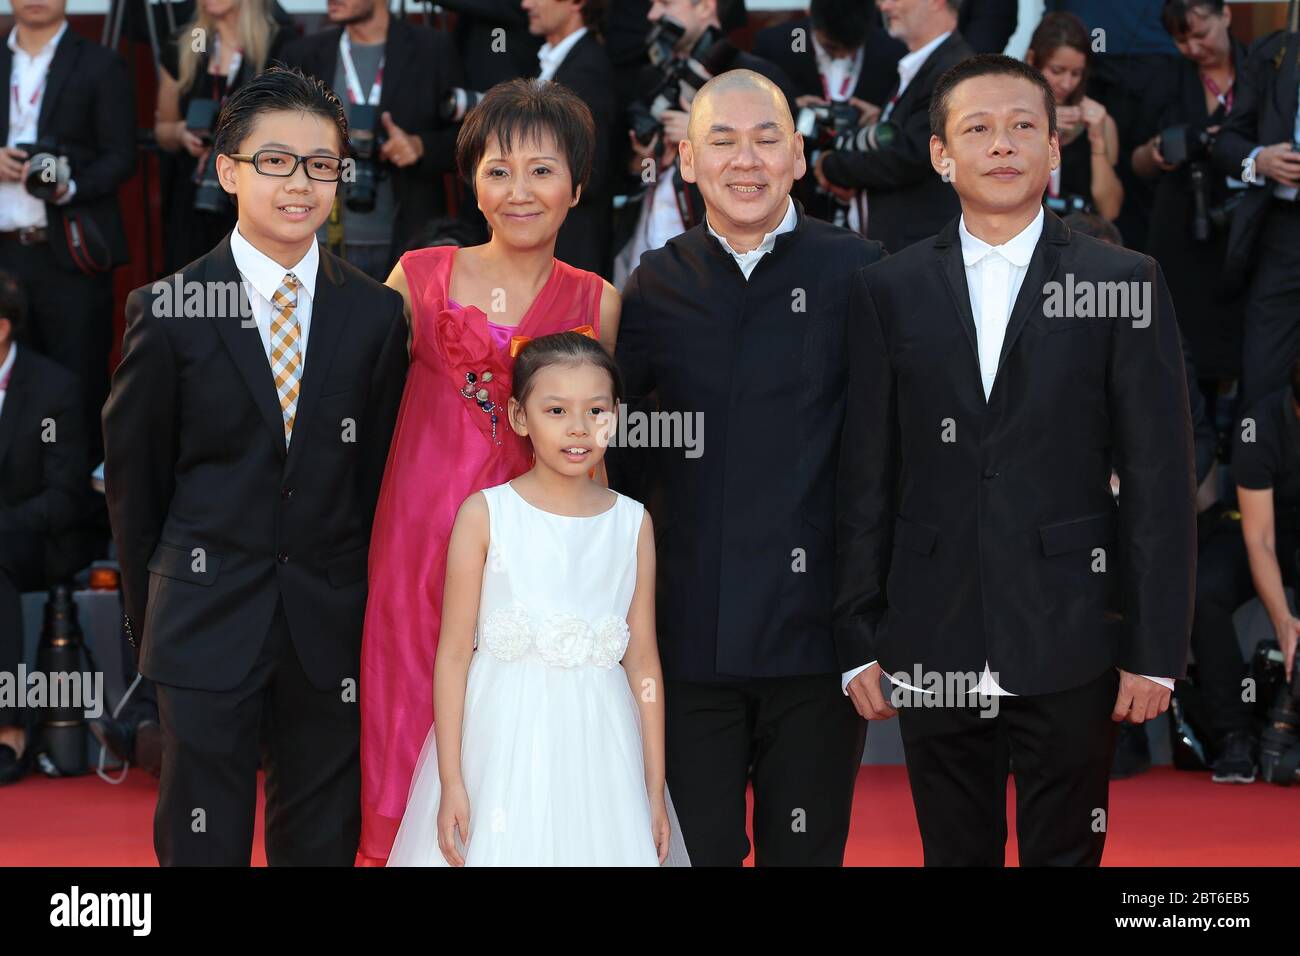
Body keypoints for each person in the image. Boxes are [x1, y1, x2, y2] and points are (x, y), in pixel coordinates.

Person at [835, 54, 1195, 865]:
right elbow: (867, 471)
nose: (1003, 145)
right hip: (934, 625)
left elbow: (1158, 481)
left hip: (1072, 627)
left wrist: (1154, 648)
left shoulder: (1123, 281)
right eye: (978, 129)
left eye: (1023, 127)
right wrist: (857, 632)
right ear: (940, 155)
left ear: (1055, 146)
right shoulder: (888, 289)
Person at [102, 67, 409, 865]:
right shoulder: (167, 309)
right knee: (203, 838)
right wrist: (154, 620)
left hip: (328, 625)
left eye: (321, 163)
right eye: (275, 161)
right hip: (203, 620)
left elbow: (374, 478)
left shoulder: (376, 313)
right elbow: (137, 488)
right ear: (228, 169)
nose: (300, 182)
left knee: (320, 837)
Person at [612, 69, 883, 866]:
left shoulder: (862, 271)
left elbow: (885, 454)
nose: (747, 160)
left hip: (818, 641)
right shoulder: (658, 283)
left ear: (799, 157)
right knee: (699, 853)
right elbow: (622, 457)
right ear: (686, 163)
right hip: (690, 637)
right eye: (721, 142)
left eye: (767, 139)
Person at [360, 78, 621, 864]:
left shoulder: (598, 300)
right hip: (416, 549)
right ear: (471, 180)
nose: (519, 191)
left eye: (542, 171)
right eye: (498, 170)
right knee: (404, 723)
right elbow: (361, 410)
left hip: (532, 560)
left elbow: (596, 449)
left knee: (519, 739)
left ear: (576, 187)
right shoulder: (418, 275)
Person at [388, 333, 687, 866]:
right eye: (556, 410)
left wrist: (654, 784)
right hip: (499, 742)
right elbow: (454, 653)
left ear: (615, 416)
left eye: (596, 410)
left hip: (601, 746)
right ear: (519, 416)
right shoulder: (485, 515)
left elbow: (643, 658)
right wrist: (453, 780)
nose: (578, 428)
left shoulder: (631, 523)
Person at [0, 0, 135, 461]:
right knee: (9, 388)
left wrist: (68, 185)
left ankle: (77, 512)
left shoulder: (100, 63)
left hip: (68, 257)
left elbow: (122, 156)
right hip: (4, 256)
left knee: (76, 384)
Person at [611, 0, 797, 287]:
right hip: (643, 252)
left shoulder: (758, 80)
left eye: (665, 4)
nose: (652, 15)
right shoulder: (652, 76)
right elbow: (623, 172)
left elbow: (783, 172)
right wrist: (646, 157)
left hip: (726, 265)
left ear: (705, 7)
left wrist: (703, 135)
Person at [281, 0, 465, 281]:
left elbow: (469, 141)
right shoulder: (303, 53)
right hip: (316, 240)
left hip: (407, 241)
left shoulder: (432, 48)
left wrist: (421, 147)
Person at [0, 270, 91, 787]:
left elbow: (65, 498)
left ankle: (8, 727)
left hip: (38, 540)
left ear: (3, 328)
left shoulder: (54, 389)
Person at [1132, 0, 1245, 401]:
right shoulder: (1166, 76)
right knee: (1175, 342)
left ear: (1226, 14)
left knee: (1239, 343)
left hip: (1243, 225)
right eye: (1182, 40)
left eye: (1201, 34)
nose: (1194, 48)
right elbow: (1136, 161)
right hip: (1179, 223)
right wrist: (1157, 153)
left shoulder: (1261, 72)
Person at [813, 0, 974, 252]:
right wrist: (883, 123)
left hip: (919, 253)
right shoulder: (930, 64)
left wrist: (830, 165)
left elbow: (912, 156)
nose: (884, 6)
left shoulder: (952, 69)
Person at [154, 0, 296, 274]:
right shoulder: (186, 45)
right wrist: (182, 133)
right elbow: (163, 129)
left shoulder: (279, 43)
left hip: (255, 197)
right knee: (189, 300)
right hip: (192, 198)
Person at [1211, 20, 1300, 411]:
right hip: (1282, 229)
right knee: (1263, 371)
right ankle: (1254, 468)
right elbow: (1228, 141)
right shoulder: (1274, 52)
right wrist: (1258, 159)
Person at [753, 0, 905, 225]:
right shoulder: (775, 45)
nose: (843, 56)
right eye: (831, 47)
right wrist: (788, 107)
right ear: (810, 17)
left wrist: (882, 116)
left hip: (866, 196)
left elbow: (900, 124)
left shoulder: (894, 50)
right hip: (795, 197)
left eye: (852, 49)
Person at [524, 0, 617, 277]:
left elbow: (592, 171)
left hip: (573, 248)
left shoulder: (588, 68)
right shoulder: (559, 61)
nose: (526, 3)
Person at [1026, 12, 1122, 221]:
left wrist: (1097, 141)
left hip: (1082, 241)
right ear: (1032, 60)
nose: (1067, 83)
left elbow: (1110, 211)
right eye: (1057, 70)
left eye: (1076, 73)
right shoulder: (1007, 115)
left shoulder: (1099, 121)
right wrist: (1038, 123)